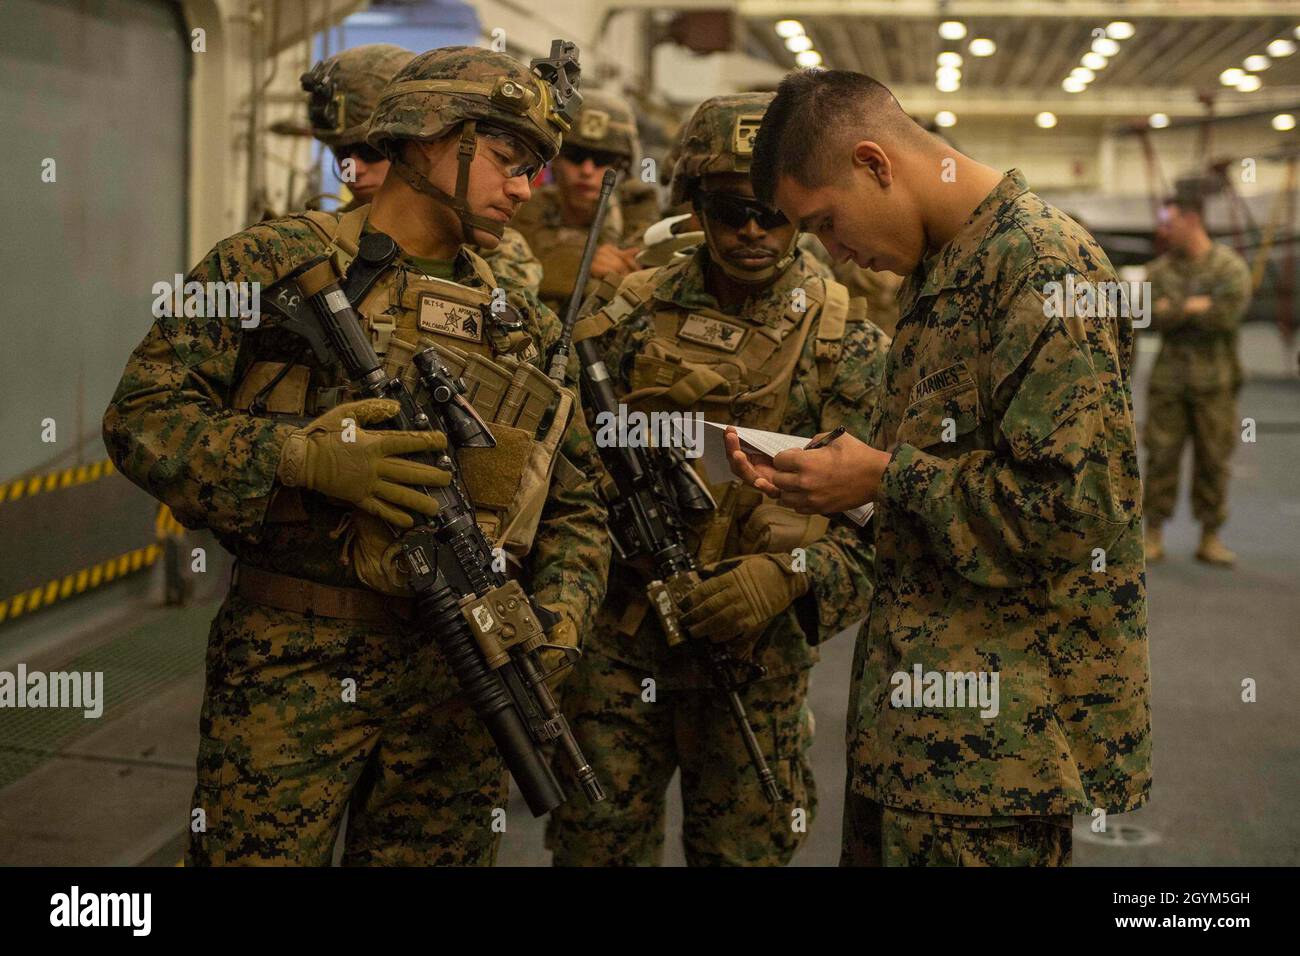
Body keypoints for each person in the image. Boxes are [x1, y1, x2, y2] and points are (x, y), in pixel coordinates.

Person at [103, 44, 609, 866]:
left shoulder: (525, 323)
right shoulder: (266, 263)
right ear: (423, 139)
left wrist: (559, 622)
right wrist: (297, 460)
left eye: (536, 169)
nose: (524, 187)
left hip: (457, 686)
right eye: (510, 160)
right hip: (290, 661)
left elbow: (578, 505)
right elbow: (142, 417)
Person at [728, 69, 1151, 866]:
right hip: (917, 733)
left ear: (875, 163)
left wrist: (886, 477)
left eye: (825, 222)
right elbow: (942, 466)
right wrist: (835, 481)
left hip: (997, 758)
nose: (835, 254)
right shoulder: (942, 268)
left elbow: (1079, 513)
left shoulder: (1041, 265)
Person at [544, 93, 887, 867]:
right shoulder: (622, 318)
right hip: (619, 648)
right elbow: (554, 478)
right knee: (594, 849)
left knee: (745, 854)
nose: (755, 233)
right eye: (732, 211)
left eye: (775, 213)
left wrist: (788, 575)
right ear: (693, 206)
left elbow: (885, 525)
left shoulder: (849, 344)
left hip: (753, 662)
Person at [301, 44, 543, 296]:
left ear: (418, 139)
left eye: (371, 151)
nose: (353, 169)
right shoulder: (306, 244)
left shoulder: (494, 258)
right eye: (340, 153)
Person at [1143, 193, 1252, 567]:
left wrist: (1173, 309)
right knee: (1160, 457)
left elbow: (1226, 315)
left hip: (1216, 383)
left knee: (1214, 460)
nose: (1163, 230)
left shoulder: (1229, 267)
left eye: (1169, 223)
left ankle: (1210, 537)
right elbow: (1147, 317)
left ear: (1191, 220)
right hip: (1168, 382)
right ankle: (1153, 534)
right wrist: (1194, 305)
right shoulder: (1158, 271)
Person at [512, 89, 646, 312]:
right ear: (555, 157)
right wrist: (584, 264)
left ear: (622, 165)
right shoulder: (519, 207)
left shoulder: (640, 215)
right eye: (575, 155)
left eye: (603, 159)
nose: (587, 170)